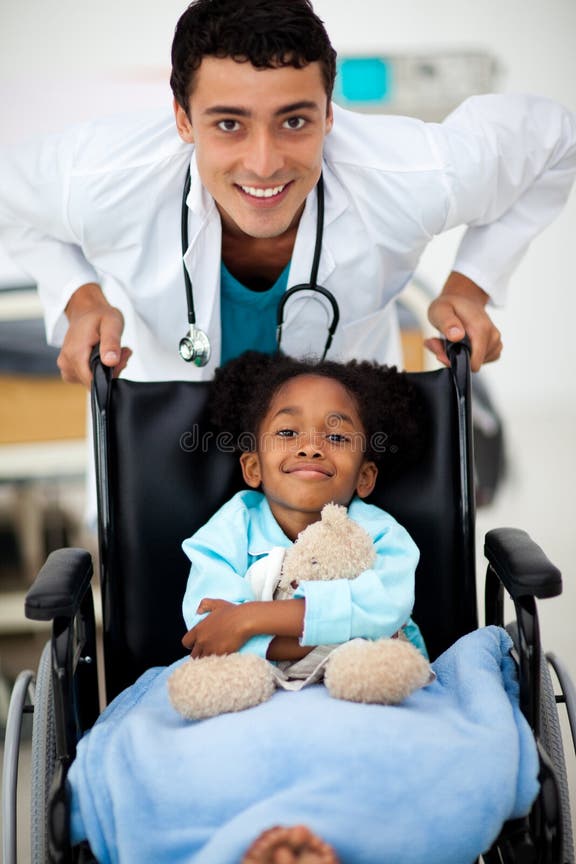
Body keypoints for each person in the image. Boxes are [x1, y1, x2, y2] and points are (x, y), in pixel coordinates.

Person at [1, 0, 575, 386]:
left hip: (345, 442)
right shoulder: (101, 178)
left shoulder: (418, 175)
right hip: (170, 436)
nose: (264, 162)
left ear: (329, 113)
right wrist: (81, 300)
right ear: (182, 119)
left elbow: (556, 138)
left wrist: (472, 285)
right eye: (229, 124)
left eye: (294, 121)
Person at [180, 350, 427, 669]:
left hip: (366, 686)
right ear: (253, 467)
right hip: (257, 695)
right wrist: (334, 641)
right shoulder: (229, 529)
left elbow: (382, 608)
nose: (311, 447)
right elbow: (210, 628)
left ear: (364, 477)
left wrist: (248, 618)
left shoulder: (381, 534)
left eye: (336, 436)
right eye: (287, 432)